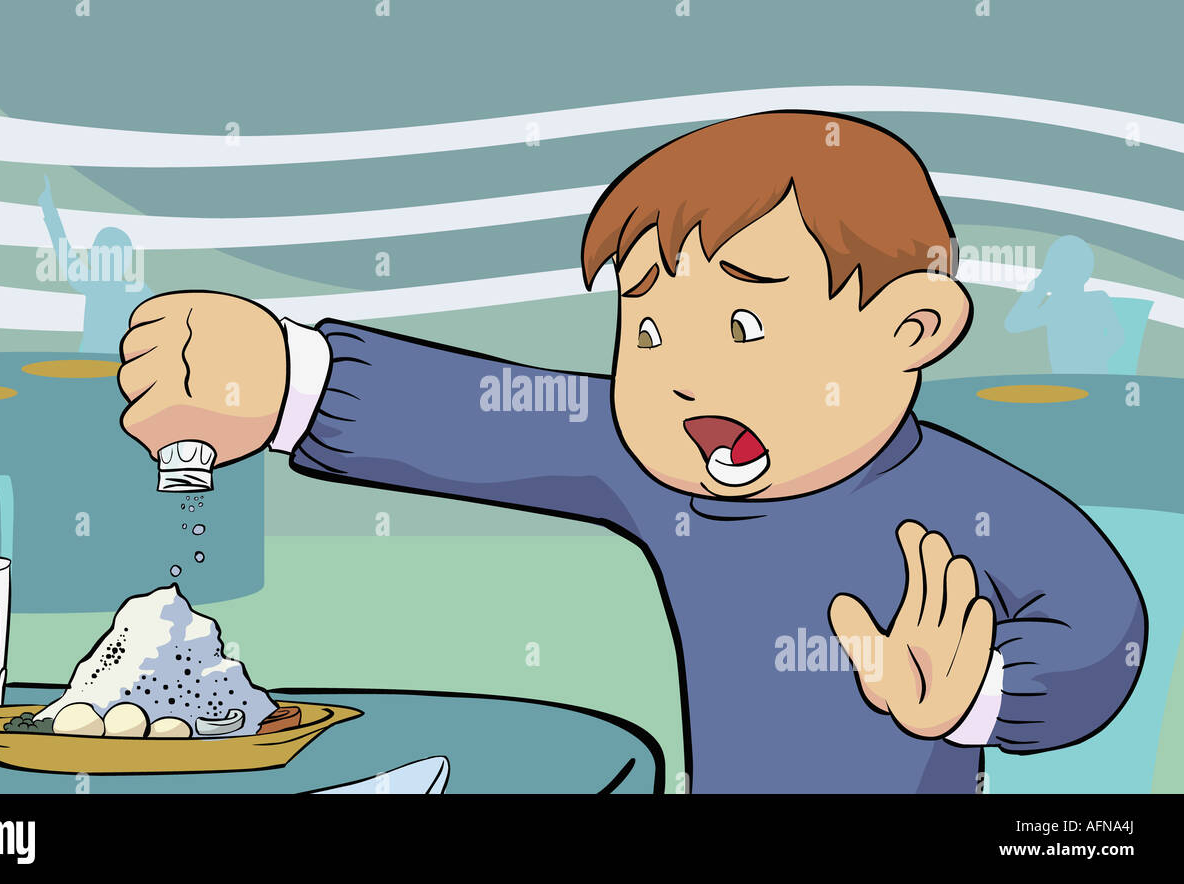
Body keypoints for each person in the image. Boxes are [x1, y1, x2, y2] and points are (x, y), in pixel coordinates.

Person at [115, 112, 1146, 792]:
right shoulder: (654, 464)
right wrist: (285, 373)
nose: (685, 377)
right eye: (648, 331)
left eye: (746, 328)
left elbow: (1103, 631)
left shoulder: (964, 499)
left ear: (912, 328)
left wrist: (977, 694)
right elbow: (479, 414)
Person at [39, 175, 151, 354]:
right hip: (117, 363)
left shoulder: (96, 285)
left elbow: (64, 252)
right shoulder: (137, 289)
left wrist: (49, 209)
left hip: (99, 362)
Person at [1004, 235, 1124, 372]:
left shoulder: (1094, 300)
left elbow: (1117, 337)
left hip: (1086, 379)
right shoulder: (1056, 305)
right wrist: (1039, 286)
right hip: (1068, 383)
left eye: (1053, 269)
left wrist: (1039, 287)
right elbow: (1013, 324)